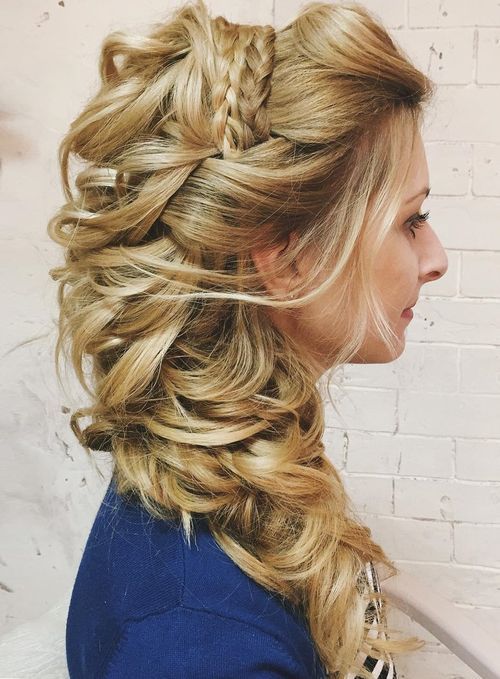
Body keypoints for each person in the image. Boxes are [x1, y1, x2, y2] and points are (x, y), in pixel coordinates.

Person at [47, 0, 448, 676]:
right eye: (412, 220)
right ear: (288, 259)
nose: (436, 257)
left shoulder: (239, 456)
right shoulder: (200, 646)